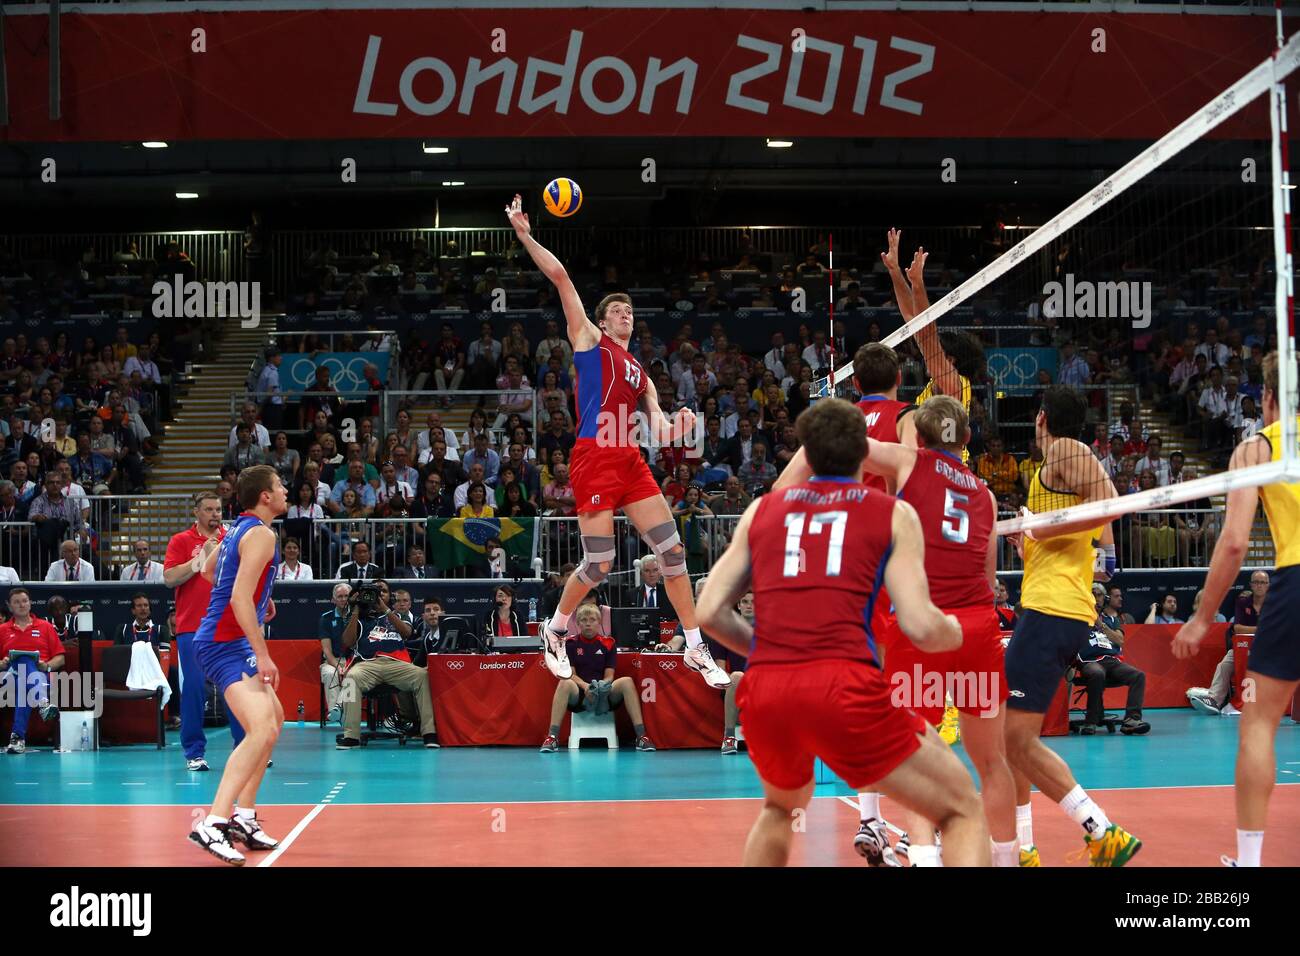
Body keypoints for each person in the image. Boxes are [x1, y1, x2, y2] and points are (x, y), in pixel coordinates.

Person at [695, 398, 989, 867]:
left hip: (767, 689)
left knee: (779, 808)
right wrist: (954, 630)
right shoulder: (892, 513)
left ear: (806, 455)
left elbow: (708, 611)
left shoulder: (762, 511)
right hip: (844, 688)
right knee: (962, 809)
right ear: (865, 452)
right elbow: (919, 625)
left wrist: (772, 651)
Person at [506, 194, 727, 690]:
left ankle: (694, 646)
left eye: (630, 309)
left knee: (673, 555)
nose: (627, 313)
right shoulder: (588, 340)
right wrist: (525, 235)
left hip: (632, 460)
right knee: (600, 563)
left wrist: (683, 427)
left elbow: (660, 429)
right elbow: (562, 277)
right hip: (594, 456)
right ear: (603, 321)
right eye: (619, 309)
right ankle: (555, 630)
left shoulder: (642, 372)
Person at [844, 396, 1017, 868]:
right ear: (965, 440)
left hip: (922, 627)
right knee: (992, 760)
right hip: (978, 630)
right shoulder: (985, 493)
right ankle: (1006, 858)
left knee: (912, 753)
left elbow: (847, 444)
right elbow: (988, 578)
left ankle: (922, 855)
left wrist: (839, 407)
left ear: (918, 436)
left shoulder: (909, 460)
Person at [1002, 385, 1140, 867]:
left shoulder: (1064, 449)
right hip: (1047, 604)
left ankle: (1101, 831)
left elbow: (1111, 506)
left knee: (1015, 739)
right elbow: (1081, 531)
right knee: (1014, 738)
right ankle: (1023, 847)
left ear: (1041, 418)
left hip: (1054, 609)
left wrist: (1042, 528)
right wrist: (1033, 544)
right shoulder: (1050, 471)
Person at [1174, 352, 1300, 866]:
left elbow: (1232, 544)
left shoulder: (1258, 447)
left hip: (1296, 579)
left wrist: (1203, 617)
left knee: (1259, 723)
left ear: (1268, 397)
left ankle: (1249, 864)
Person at [187, 465, 287, 865]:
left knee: (273, 721)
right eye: (278, 486)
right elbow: (237, 599)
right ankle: (212, 822)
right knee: (261, 726)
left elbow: (209, 571)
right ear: (264, 496)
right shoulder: (261, 533)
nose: (284, 491)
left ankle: (244, 818)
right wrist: (263, 653)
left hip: (225, 639)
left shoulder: (235, 530)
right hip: (223, 643)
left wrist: (260, 598)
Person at [164, 491, 240, 772]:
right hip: (192, 627)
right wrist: (200, 560)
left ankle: (245, 749)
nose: (215, 514)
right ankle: (194, 752)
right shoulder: (181, 541)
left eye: (218, 509)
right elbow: (170, 579)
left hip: (229, 626)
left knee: (236, 688)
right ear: (196, 513)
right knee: (195, 688)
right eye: (208, 509)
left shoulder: (232, 539)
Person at [539, 603, 654, 752]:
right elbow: (570, 674)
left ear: (599, 623)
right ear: (578, 623)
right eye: (584, 620)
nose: (588, 623)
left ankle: (641, 737)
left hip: (603, 691)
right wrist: (586, 687)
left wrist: (600, 687)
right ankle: (552, 738)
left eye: (592, 619)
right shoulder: (570, 644)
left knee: (626, 682)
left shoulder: (608, 643)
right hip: (579, 692)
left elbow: (609, 676)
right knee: (564, 682)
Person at [337, 579, 437, 749]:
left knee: (422, 675)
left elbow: (407, 633)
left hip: (396, 663)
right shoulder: (359, 617)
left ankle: (429, 733)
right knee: (350, 677)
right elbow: (347, 641)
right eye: (374, 592)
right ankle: (351, 736)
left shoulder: (398, 614)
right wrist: (355, 610)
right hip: (368, 664)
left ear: (389, 596)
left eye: (381, 591)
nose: (377, 594)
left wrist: (385, 609)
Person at [1189, 572, 1267, 715]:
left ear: (1268, 585)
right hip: (1242, 648)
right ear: (1251, 585)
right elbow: (1237, 628)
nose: (1259, 585)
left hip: (1267, 649)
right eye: (1256, 582)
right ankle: (1214, 700)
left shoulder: (1274, 605)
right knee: (1224, 665)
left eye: (1262, 582)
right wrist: (1262, 628)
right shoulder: (1243, 602)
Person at [1077, 583, 1149, 735]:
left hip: (1111, 661)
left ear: (1105, 599)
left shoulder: (1111, 620)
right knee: (1097, 674)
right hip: (1089, 661)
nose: (1096, 598)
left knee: (1138, 675)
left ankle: (1131, 720)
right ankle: (1091, 722)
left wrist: (1100, 624)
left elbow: (1119, 640)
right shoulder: (1076, 619)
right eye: (1093, 594)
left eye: (1099, 595)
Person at [0, 588, 63, 754]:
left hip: (40, 675)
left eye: (24, 601)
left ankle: (17, 738)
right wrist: (2, 662)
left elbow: (60, 659)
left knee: (25, 680)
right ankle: (43, 703)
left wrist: (46, 665)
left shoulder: (45, 627)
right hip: (7, 677)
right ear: (9, 605)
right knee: (22, 660)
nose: (22, 605)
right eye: (17, 602)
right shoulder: (2, 629)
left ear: (30, 603)